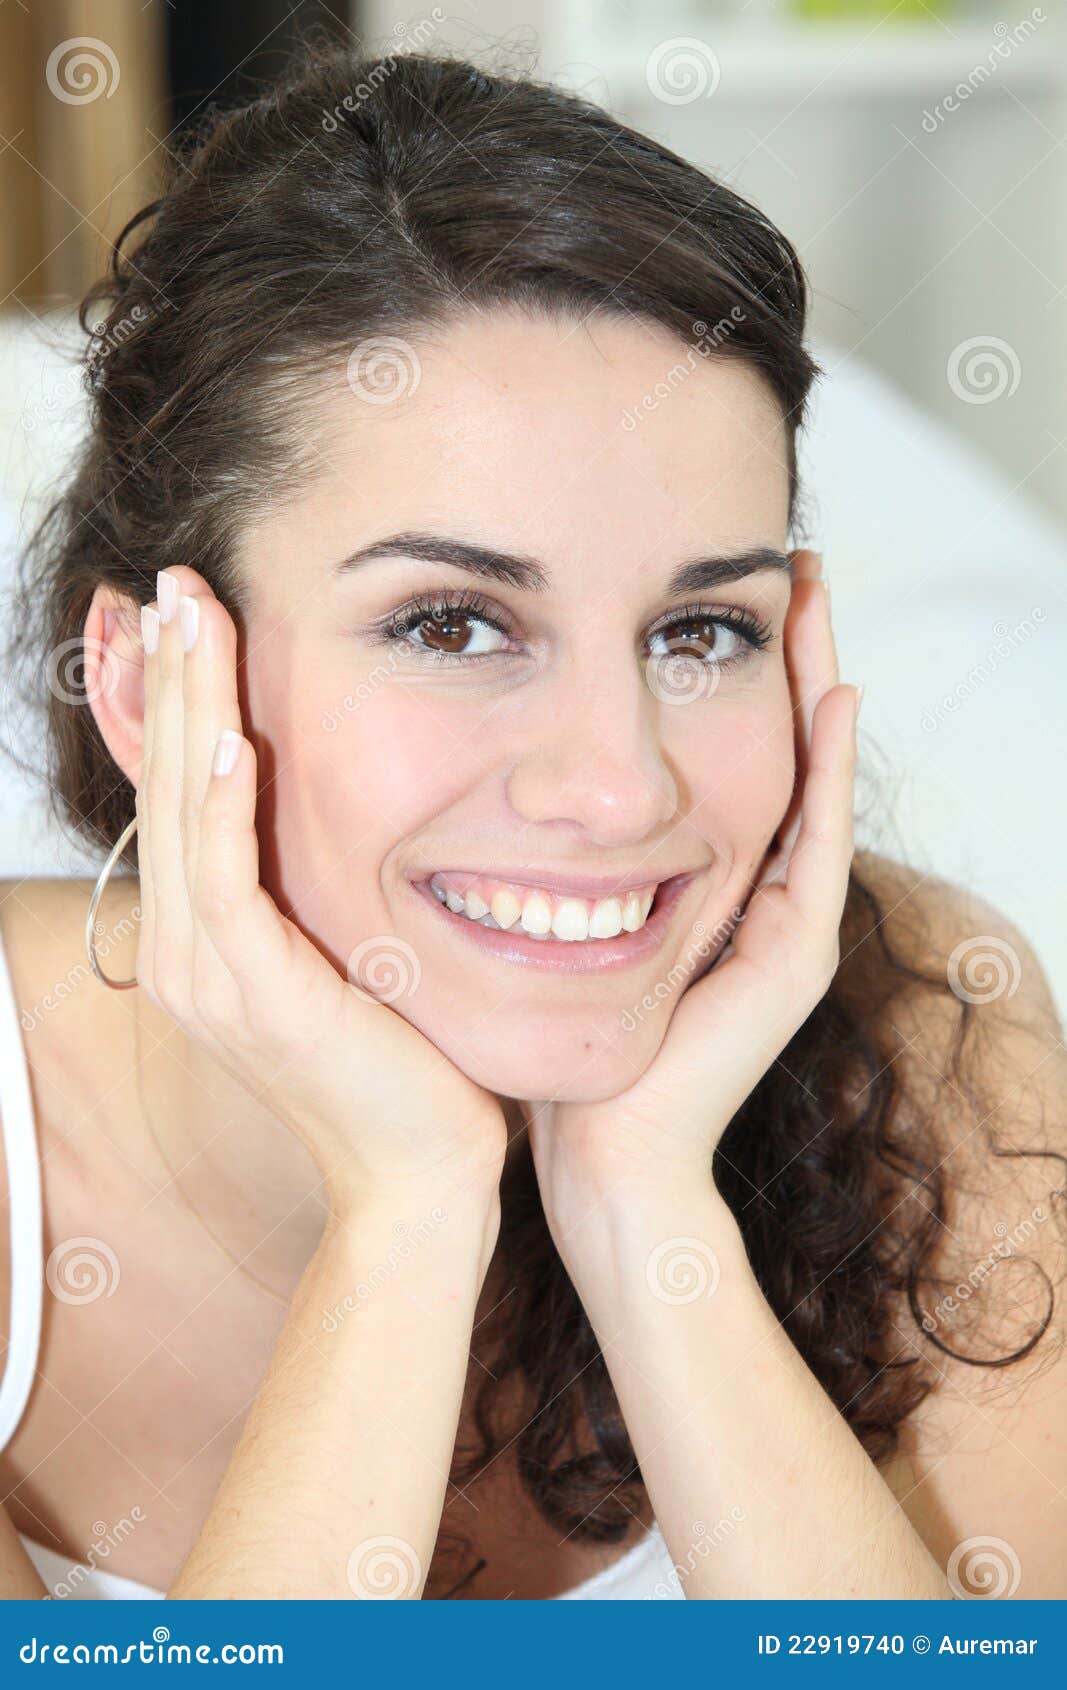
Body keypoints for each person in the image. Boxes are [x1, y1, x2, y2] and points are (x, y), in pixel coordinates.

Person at [0, 45, 1064, 1602]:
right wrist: (409, 1211)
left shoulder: (924, 1042)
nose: (619, 787)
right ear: (153, 680)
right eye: (449, 623)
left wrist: (646, 1214)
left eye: (701, 631)